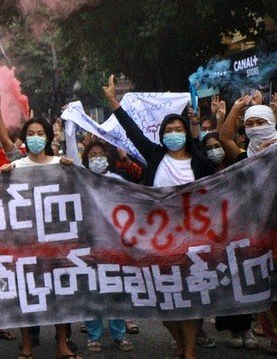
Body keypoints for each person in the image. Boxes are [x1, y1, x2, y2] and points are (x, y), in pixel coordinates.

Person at [103, 75, 215, 359]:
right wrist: (113, 102)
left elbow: (220, 187)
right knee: (165, 301)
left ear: (186, 133)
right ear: (162, 135)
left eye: (179, 129)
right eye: (169, 130)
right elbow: (132, 132)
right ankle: (178, 345)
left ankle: (188, 352)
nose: (174, 133)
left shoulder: (200, 160)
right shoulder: (154, 155)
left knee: (189, 301)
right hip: (158, 240)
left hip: (194, 240)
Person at [0, 117, 79, 359]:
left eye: (40, 133)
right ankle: (26, 345)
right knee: (27, 293)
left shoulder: (60, 163)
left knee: (60, 293)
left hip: (57, 239)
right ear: (25, 138)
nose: (36, 137)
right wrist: (2, 178)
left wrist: (71, 170)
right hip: (26, 241)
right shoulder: (17, 167)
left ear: (48, 137)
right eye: (31, 133)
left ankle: (62, 344)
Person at [78, 143, 135, 352]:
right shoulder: (81, 180)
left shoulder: (117, 180)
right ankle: (93, 335)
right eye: (93, 155)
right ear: (86, 160)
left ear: (108, 158)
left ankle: (119, 334)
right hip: (89, 244)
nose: (97, 158)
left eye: (101, 154)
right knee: (92, 290)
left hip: (114, 244)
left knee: (116, 290)